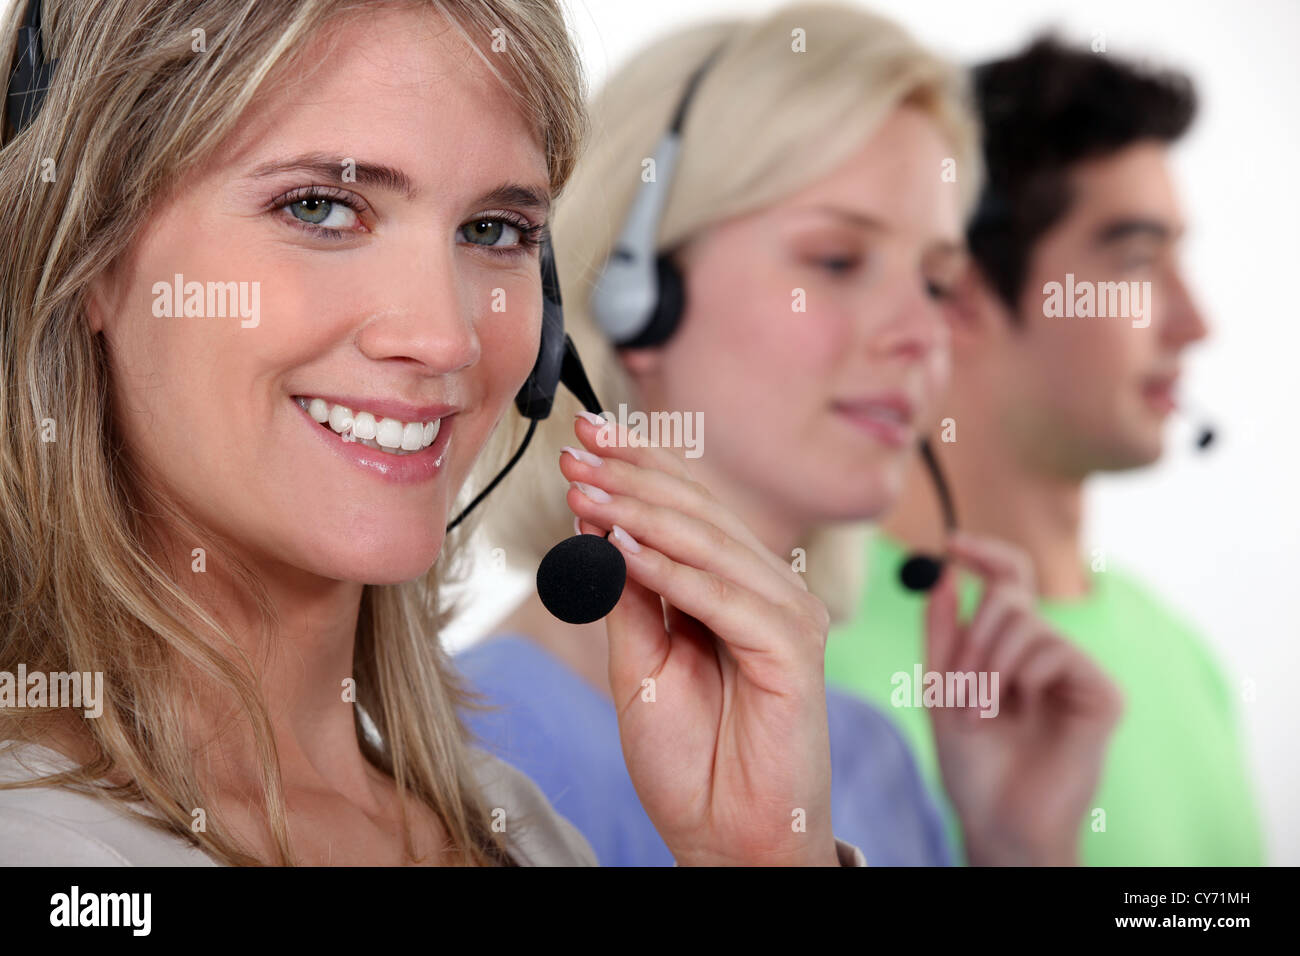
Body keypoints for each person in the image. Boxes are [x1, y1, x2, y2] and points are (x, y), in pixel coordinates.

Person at [0, 0, 861, 867]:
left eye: (495, 231)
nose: (448, 336)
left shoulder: (522, 833)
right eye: (322, 209)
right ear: (85, 258)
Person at [456, 4, 1122, 866]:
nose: (921, 333)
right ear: (637, 291)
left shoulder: (873, 757)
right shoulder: (459, 760)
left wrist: (1015, 845)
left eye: (935, 281)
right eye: (838, 261)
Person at [824, 36, 1265, 865]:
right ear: (959, 294)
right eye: (1135, 261)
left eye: (1181, 258)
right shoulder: (811, 663)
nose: (1194, 321)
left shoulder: (1177, 653)